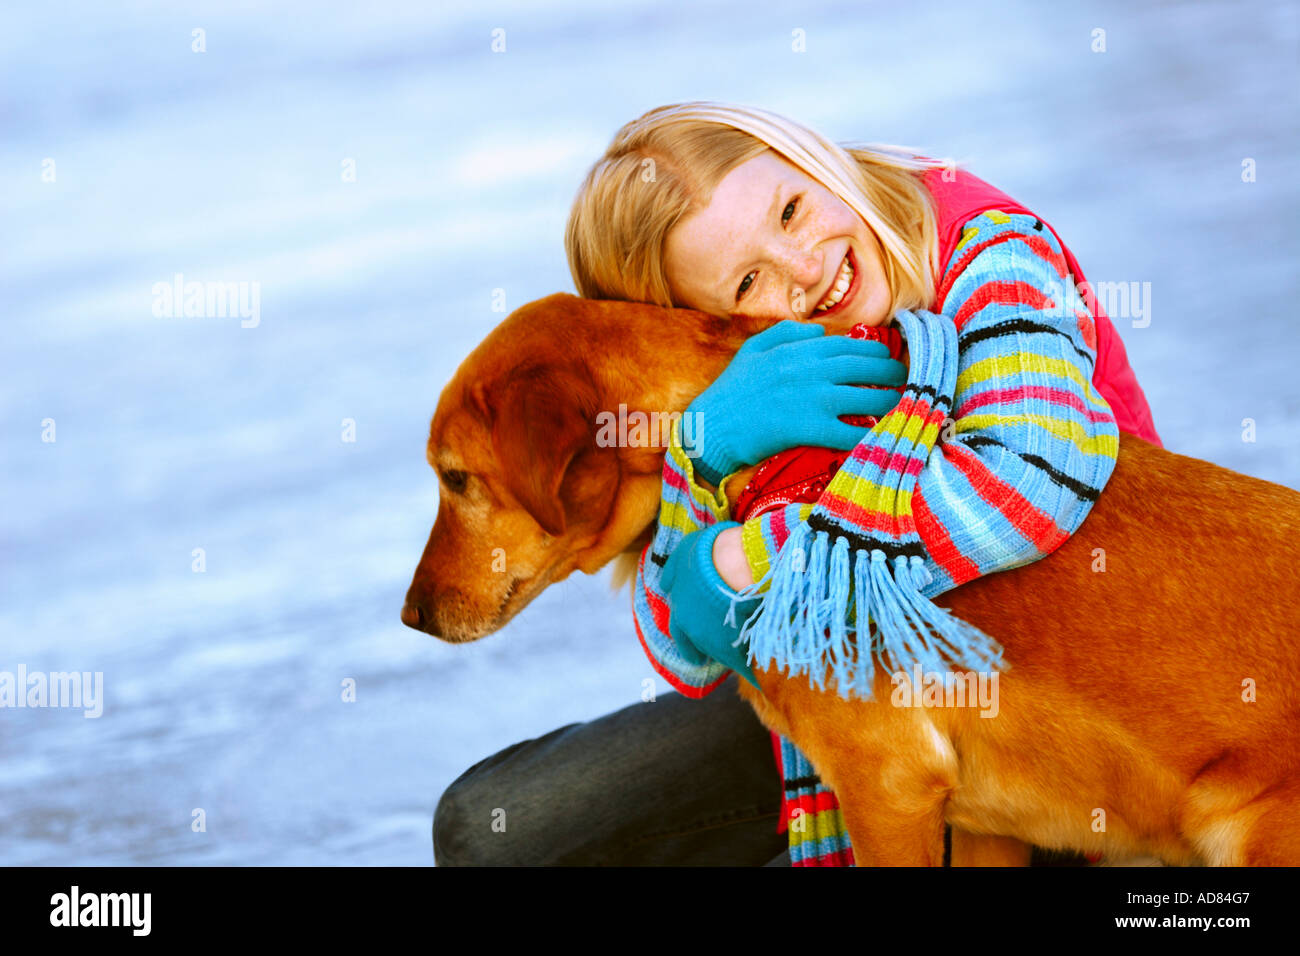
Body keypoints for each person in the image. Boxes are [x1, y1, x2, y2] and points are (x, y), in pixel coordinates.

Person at [434, 102, 1161, 866]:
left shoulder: (990, 253)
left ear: (814, 162)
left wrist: (754, 562)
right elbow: (684, 650)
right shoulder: (753, 378)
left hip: (1084, 706)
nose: (807, 268)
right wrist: (701, 452)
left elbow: (1024, 486)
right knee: (488, 829)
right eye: (749, 281)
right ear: (707, 325)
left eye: (792, 210)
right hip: (871, 687)